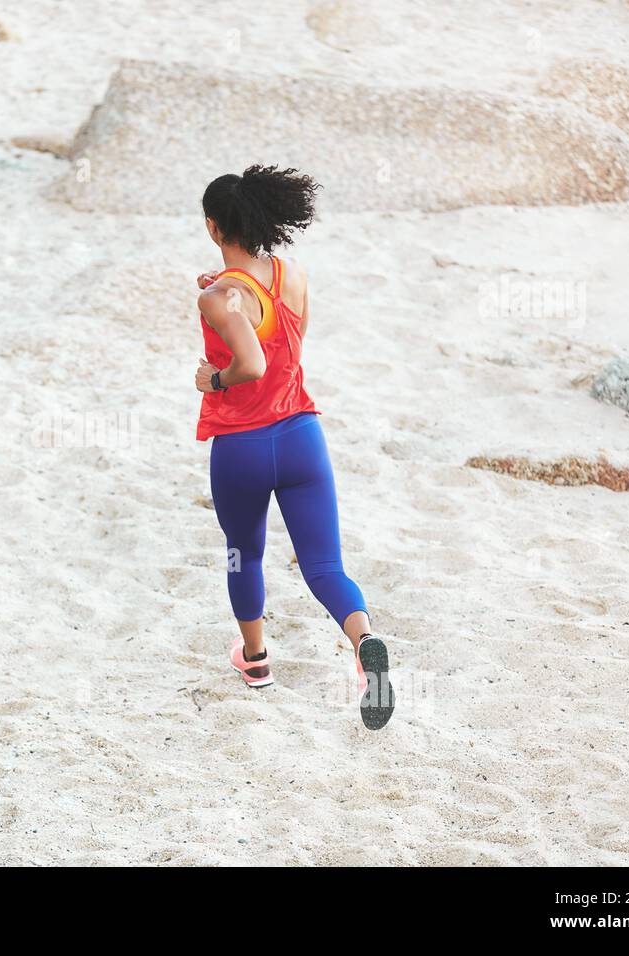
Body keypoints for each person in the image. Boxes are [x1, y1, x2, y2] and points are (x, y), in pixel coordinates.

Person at [194, 165, 393, 730]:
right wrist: (226, 293)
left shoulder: (218, 296)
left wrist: (214, 379)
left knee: (244, 551)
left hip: (241, 446)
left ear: (214, 227)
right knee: (325, 564)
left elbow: (250, 362)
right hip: (302, 436)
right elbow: (281, 343)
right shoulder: (293, 274)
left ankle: (255, 662)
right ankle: (364, 641)